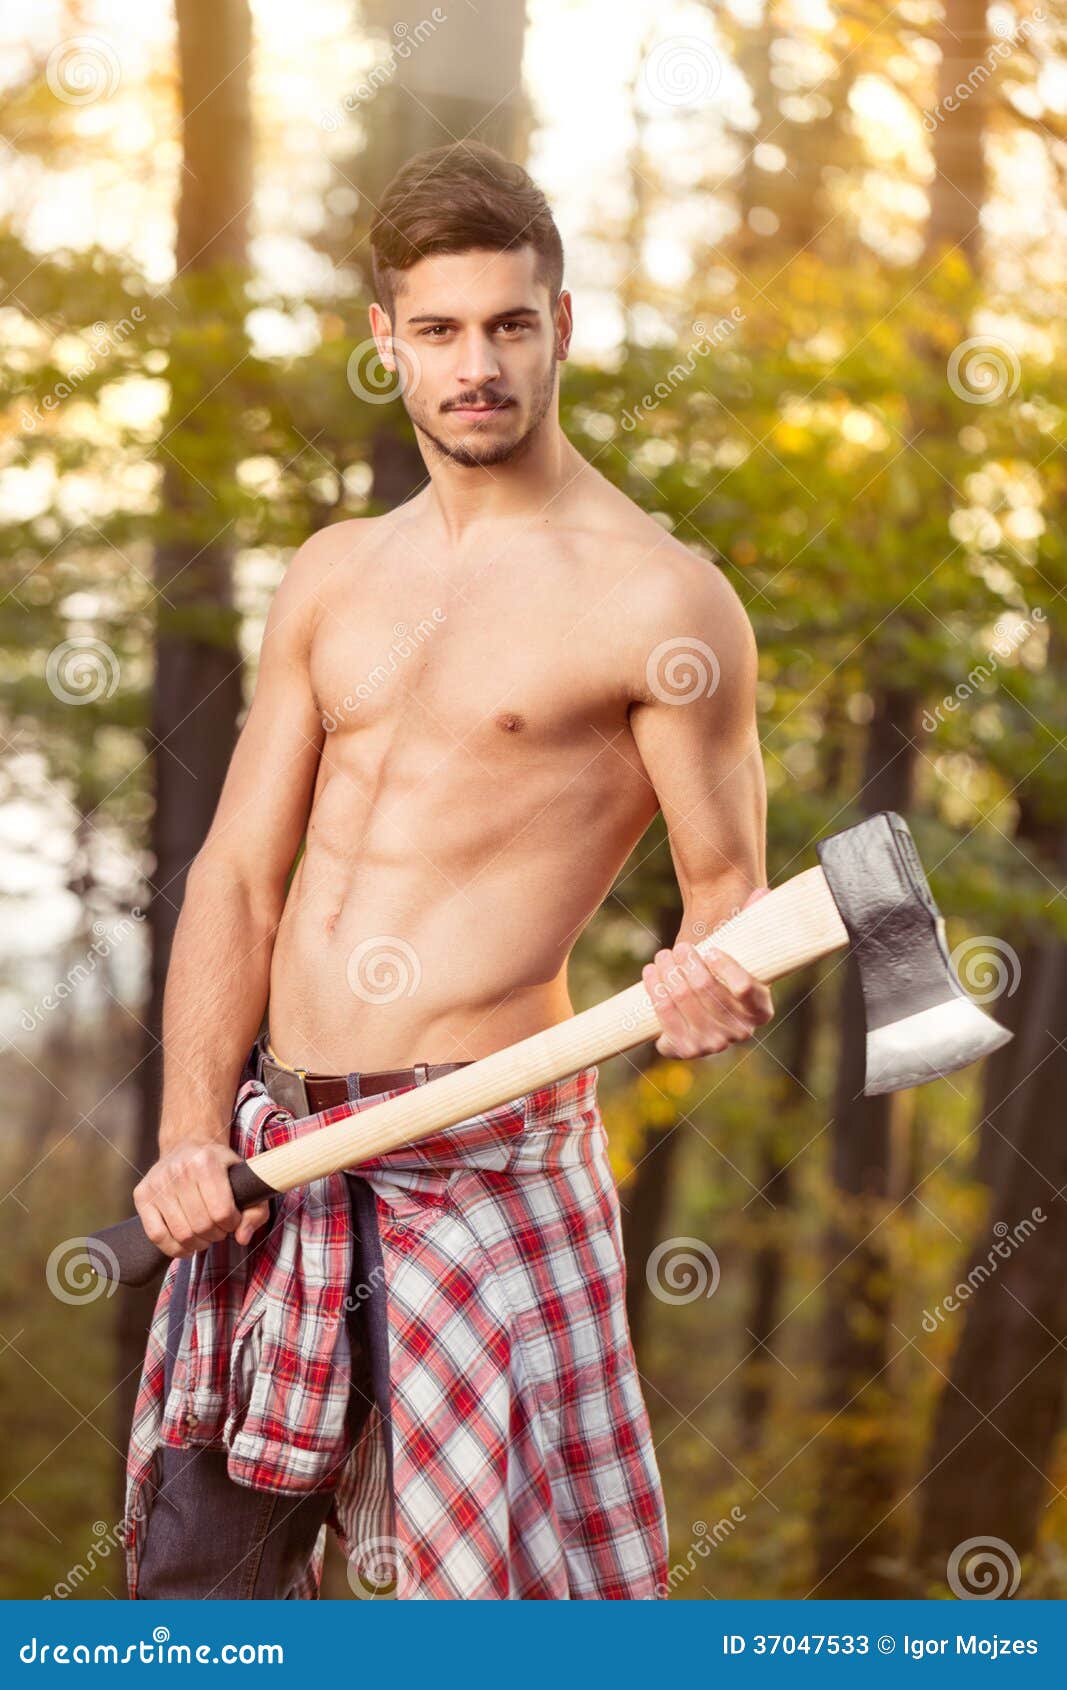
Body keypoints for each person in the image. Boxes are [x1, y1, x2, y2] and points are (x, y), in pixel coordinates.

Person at [127, 140, 774, 1601]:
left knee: (490, 1620)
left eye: (508, 324)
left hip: (475, 1175)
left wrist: (709, 977)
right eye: (439, 330)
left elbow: (731, 888)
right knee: (193, 1605)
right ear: (388, 341)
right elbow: (235, 874)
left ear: (564, 323)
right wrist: (186, 1136)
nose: (474, 365)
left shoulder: (660, 599)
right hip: (271, 1165)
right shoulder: (335, 572)